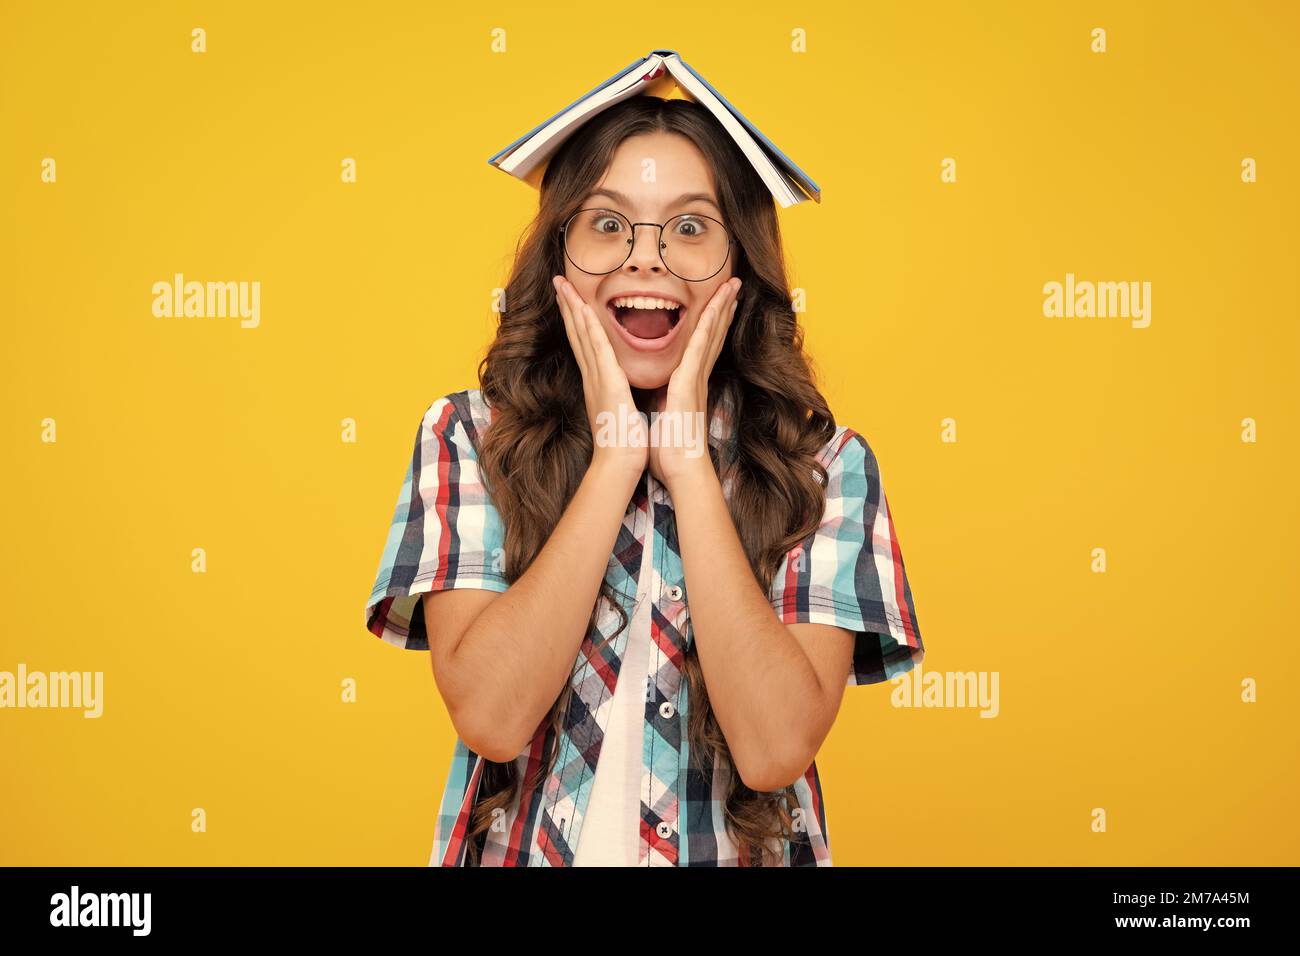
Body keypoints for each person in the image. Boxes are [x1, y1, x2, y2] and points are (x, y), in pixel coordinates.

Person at [364, 94, 924, 866]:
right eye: (607, 223)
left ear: (742, 269)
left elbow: (773, 749)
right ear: (558, 257)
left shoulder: (824, 468)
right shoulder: (468, 437)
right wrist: (615, 460)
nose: (645, 257)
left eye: (690, 227)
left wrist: (690, 469)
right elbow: (491, 715)